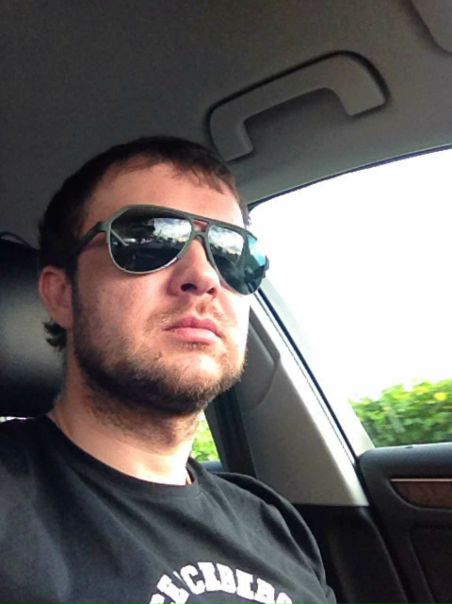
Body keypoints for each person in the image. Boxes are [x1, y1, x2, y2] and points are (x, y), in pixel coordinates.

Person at [0, 136, 336, 603]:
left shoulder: (271, 521)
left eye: (232, 254)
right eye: (149, 240)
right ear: (62, 295)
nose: (205, 276)